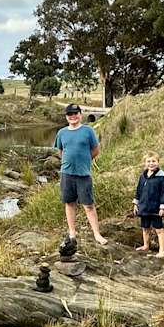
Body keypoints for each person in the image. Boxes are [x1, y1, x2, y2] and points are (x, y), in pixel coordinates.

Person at [54, 103, 107, 249]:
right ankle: (72, 232)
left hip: (83, 174)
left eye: (75, 113)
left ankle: (97, 234)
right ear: (66, 117)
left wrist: (85, 160)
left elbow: (96, 150)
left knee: (88, 205)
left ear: (80, 115)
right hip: (67, 174)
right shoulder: (62, 133)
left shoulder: (88, 131)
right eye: (70, 114)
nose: (73, 116)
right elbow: (61, 151)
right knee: (69, 203)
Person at [133, 153, 164, 256]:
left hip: (155, 208)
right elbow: (138, 191)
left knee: (159, 230)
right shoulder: (143, 176)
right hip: (144, 207)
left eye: (154, 161)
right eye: (148, 161)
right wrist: (136, 203)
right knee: (145, 228)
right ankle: (146, 245)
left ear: (158, 162)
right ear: (145, 163)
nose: (151, 163)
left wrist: (163, 207)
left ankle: (161, 251)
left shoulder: (161, 178)